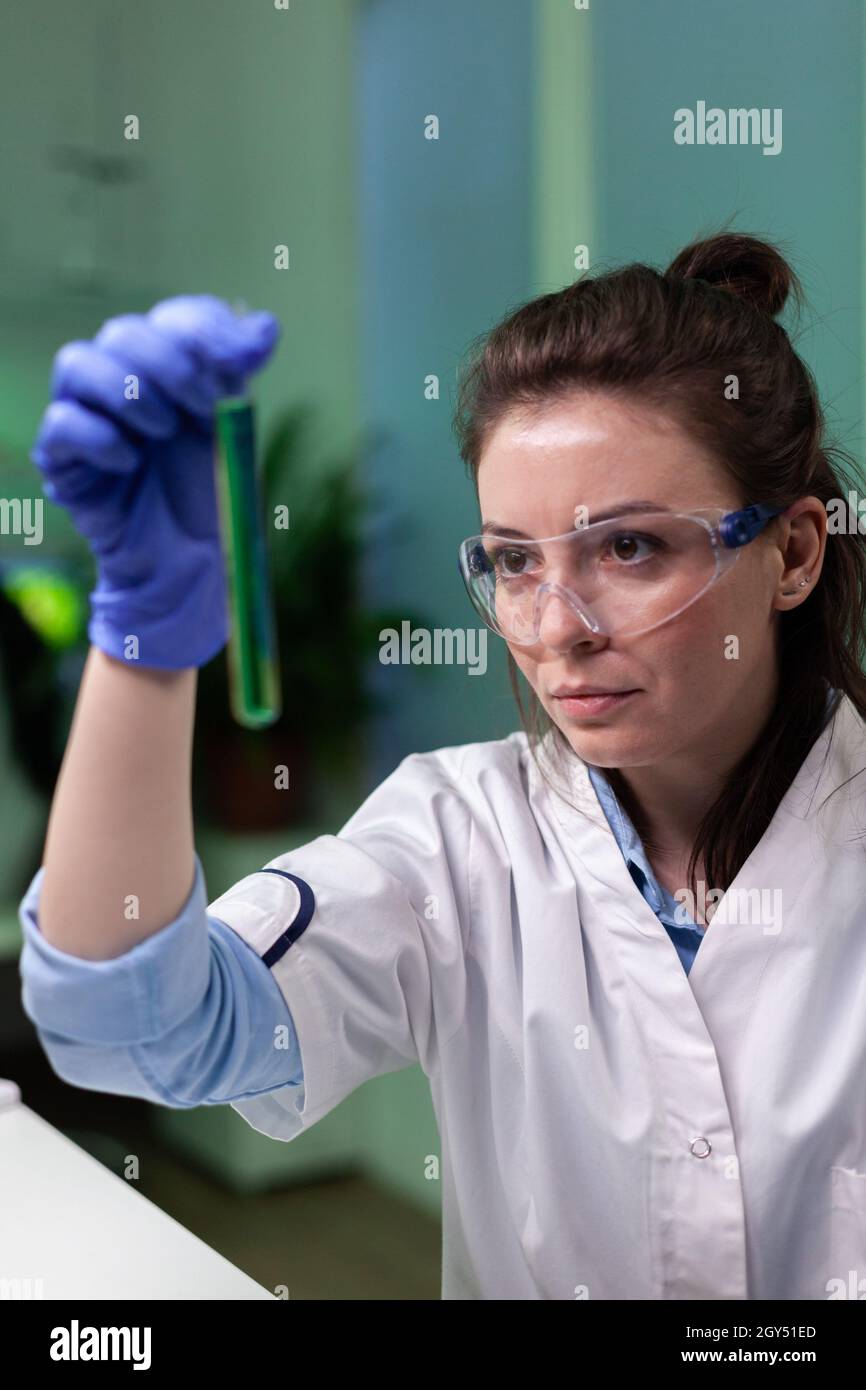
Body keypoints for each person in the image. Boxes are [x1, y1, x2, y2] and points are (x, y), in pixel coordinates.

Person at [17, 235, 866, 1301]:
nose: (557, 626)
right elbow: (135, 1035)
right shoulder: (454, 838)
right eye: (514, 560)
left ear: (790, 552)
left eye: (631, 547)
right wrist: (143, 636)